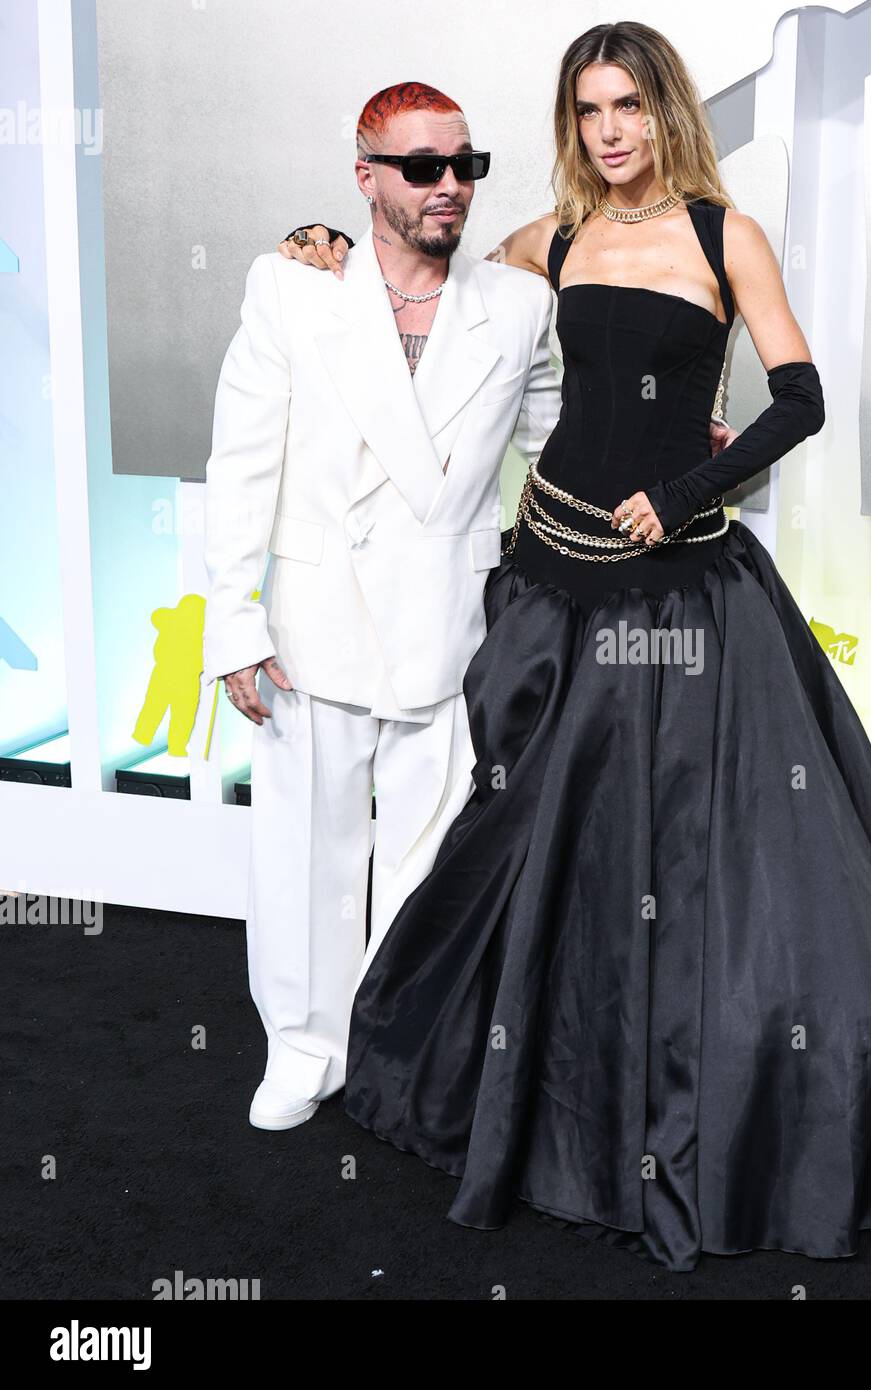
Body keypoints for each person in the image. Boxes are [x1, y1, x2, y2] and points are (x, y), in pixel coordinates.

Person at [275, 21, 871, 1271]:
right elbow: (421, 271)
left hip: (681, 591)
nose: (610, 131)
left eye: (629, 107)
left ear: (667, 111)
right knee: (537, 845)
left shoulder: (724, 236)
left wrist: (694, 483)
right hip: (552, 577)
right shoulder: (545, 241)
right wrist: (326, 243)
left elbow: (803, 395)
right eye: (589, 110)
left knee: (690, 860)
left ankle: (683, 1111)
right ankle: (532, 1088)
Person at [202, 82, 563, 1131]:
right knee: (304, 852)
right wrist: (233, 622)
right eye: (422, 168)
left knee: (427, 857)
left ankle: (396, 1043)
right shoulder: (291, 288)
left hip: (450, 620)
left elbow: (556, 451)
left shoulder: (520, 306)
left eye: (465, 166)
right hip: (316, 619)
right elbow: (238, 466)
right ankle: (301, 1044)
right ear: (366, 177)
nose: (449, 187)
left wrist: (683, 452)